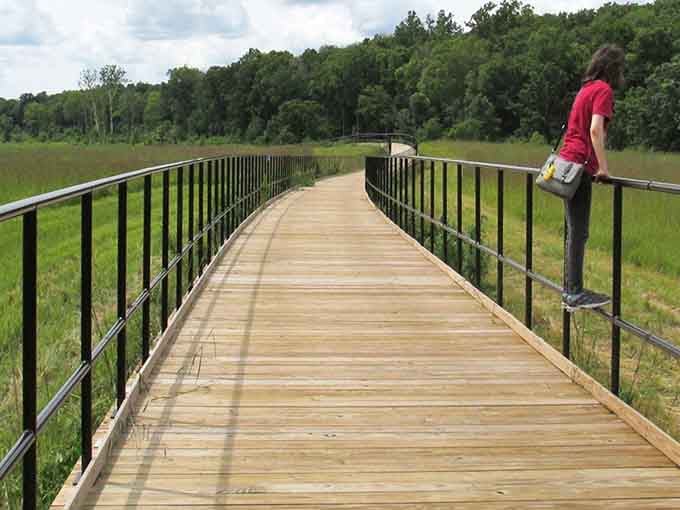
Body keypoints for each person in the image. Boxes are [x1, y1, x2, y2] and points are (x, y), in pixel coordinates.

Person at [560, 44, 625, 311]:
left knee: (574, 231)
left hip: (566, 162)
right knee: (579, 232)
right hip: (579, 165)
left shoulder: (585, 89)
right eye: (621, 68)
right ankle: (574, 293)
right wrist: (604, 169)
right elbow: (596, 130)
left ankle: (570, 290)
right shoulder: (603, 91)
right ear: (613, 68)